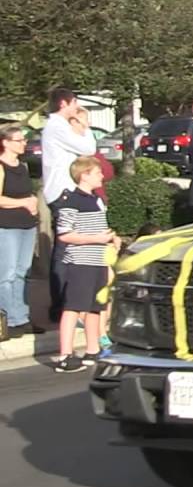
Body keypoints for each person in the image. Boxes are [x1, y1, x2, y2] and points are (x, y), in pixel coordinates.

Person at [54, 156, 119, 374]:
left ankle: (93, 349)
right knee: (73, 307)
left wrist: (109, 238)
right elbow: (64, 234)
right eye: (97, 173)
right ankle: (65, 354)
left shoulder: (96, 200)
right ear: (84, 175)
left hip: (97, 260)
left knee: (94, 307)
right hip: (80, 261)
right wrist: (96, 239)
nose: (102, 176)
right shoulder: (72, 200)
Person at [0, 126, 39, 339]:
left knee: (23, 271)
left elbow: (26, 191)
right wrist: (23, 202)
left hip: (27, 225)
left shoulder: (22, 167)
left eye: (24, 140)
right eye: (18, 140)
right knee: (7, 273)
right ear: (6, 143)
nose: (23, 143)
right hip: (7, 225)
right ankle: (9, 319)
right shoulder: (1, 167)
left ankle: (22, 316)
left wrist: (31, 200)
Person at [40, 88, 97, 205]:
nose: (77, 106)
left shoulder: (62, 126)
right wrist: (86, 127)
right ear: (63, 103)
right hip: (62, 192)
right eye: (74, 102)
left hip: (67, 190)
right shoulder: (57, 128)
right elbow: (89, 149)